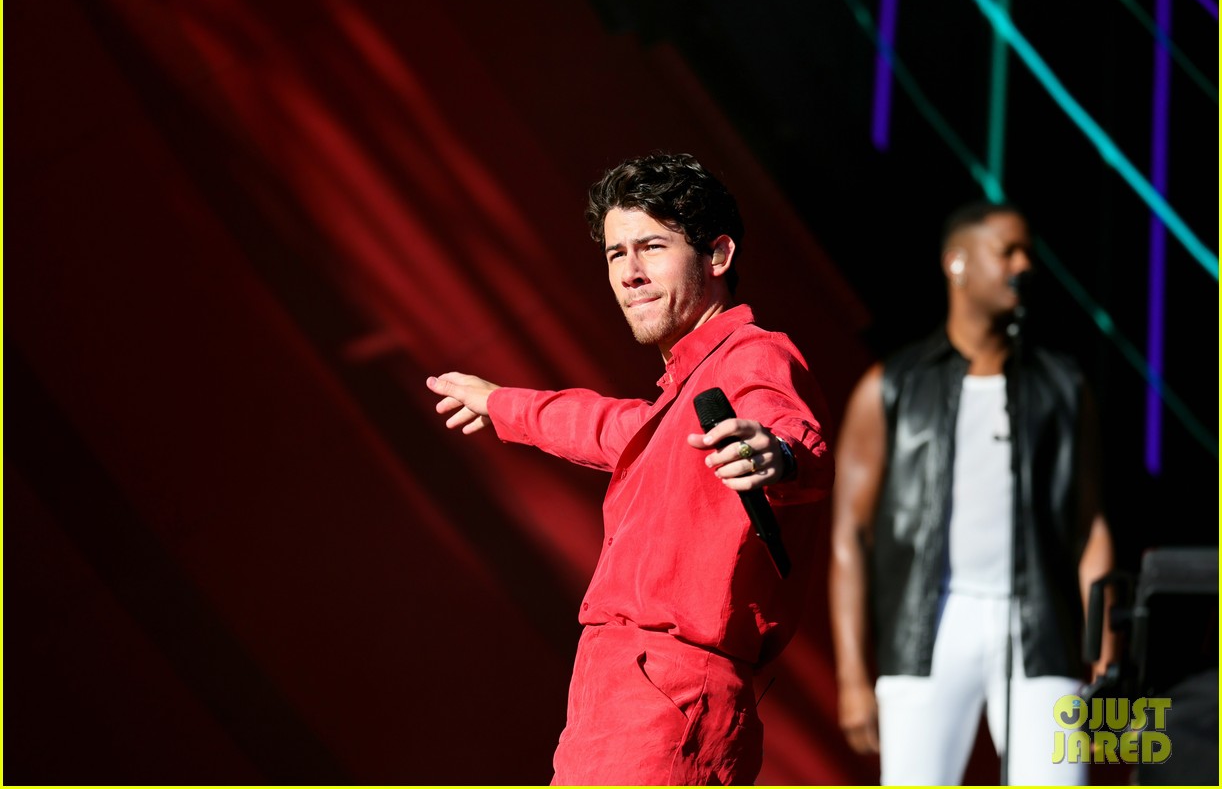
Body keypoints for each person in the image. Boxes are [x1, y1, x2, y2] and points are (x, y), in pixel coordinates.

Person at [426, 152, 833, 785]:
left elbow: (789, 433)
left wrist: (773, 454)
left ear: (718, 255)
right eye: (616, 254)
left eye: (651, 247)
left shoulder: (751, 354)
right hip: (624, 686)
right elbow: (602, 426)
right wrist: (498, 401)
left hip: (667, 691)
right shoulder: (679, 399)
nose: (630, 274)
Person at [829, 201, 1114, 785]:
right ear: (957, 263)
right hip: (926, 626)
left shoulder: (1062, 385)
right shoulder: (893, 385)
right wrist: (854, 676)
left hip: (1041, 626)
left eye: (1027, 251)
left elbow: (1090, 526)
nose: (1023, 264)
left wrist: (1106, 654)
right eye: (1007, 250)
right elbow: (848, 538)